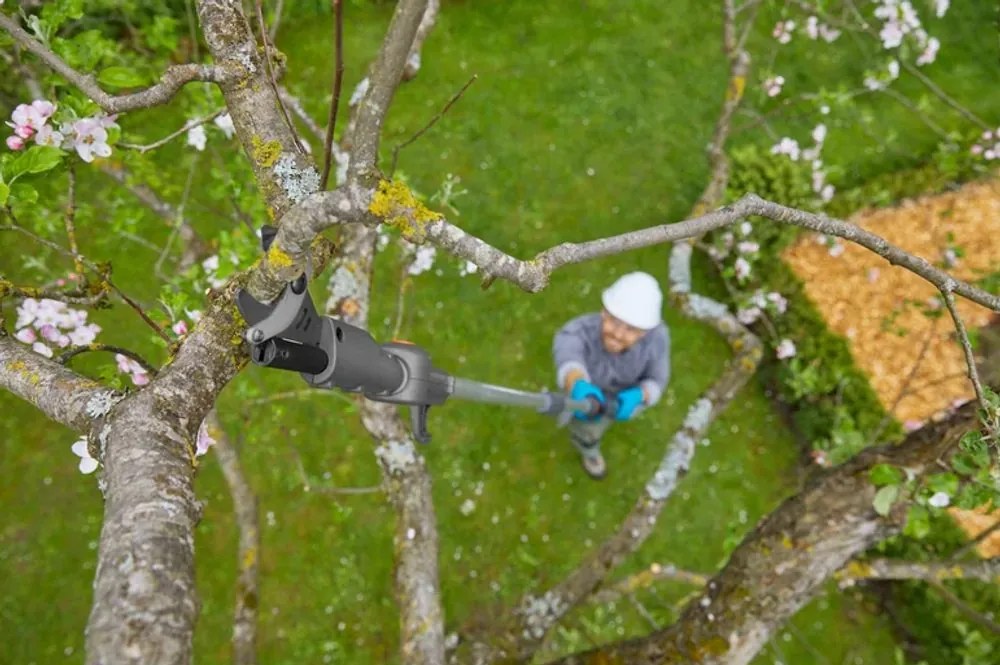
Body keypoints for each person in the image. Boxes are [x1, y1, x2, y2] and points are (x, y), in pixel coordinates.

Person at [552, 271, 670, 479]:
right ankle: (589, 450)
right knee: (587, 431)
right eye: (613, 321)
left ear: (645, 332)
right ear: (603, 312)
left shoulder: (657, 340)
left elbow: (657, 379)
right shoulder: (580, 331)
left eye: (631, 329)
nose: (618, 334)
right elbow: (568, 354)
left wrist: (641, 395)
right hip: (587, 398)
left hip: (622, 399)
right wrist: (576, 383)